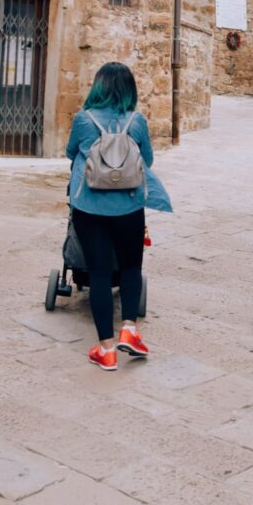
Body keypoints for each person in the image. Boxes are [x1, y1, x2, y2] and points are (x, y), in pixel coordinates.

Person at [65, 62, 171, 371]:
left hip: (89, 208)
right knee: (130, 267)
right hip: (128, 206)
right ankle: (129, 330)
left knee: (98, 273)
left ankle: (106, 350)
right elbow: (147, 159)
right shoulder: (137, 121)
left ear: (98, 86)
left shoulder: (83, 120)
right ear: (129, 89)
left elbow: (71, 153)